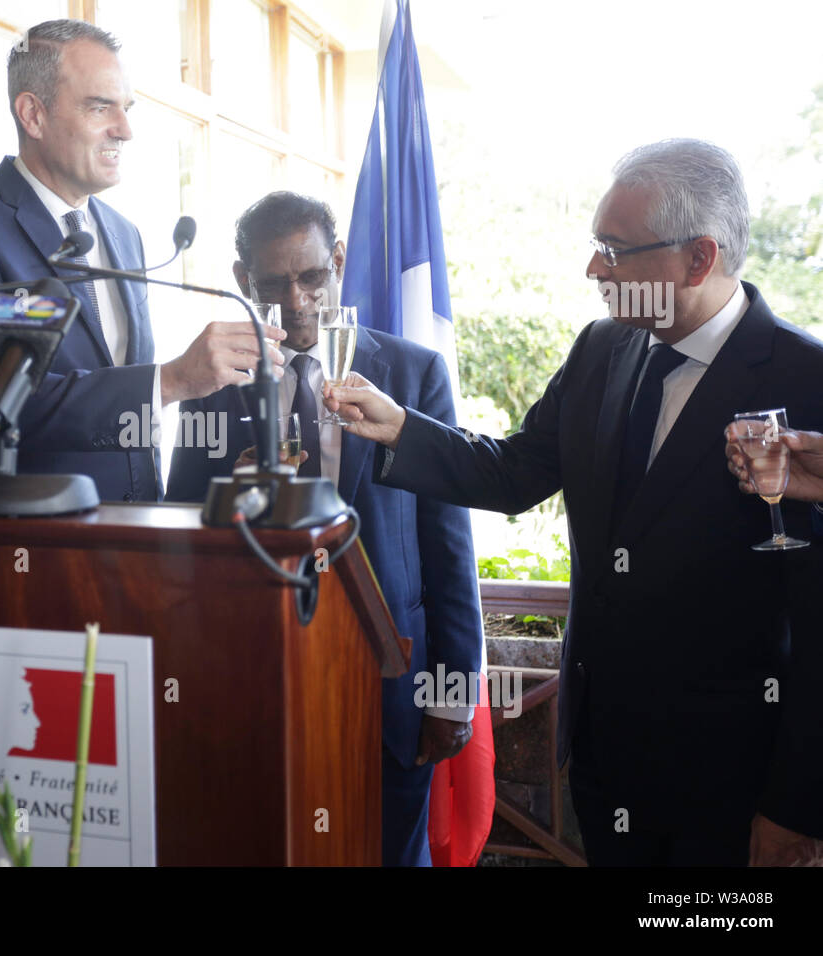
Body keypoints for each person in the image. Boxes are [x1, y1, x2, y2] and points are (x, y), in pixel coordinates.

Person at [324, 139, 823, 865]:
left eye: (615, 250)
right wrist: (399, 426)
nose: (593, 269)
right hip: (602, 762)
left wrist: (796, 805)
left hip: (736, 787)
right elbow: (514, 472)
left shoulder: (804, 378)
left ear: (699, 259)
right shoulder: (600, 349)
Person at [166, 191, 484, 866]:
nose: (300, 300)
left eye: (313, 277)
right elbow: (177, 538)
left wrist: (452, 690)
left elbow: (448, 544)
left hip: (390, 690)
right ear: (242, 280)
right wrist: (234, 499)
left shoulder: (413, 372)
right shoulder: (213, 382)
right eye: (276, 285)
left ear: (338, 261)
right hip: (252, 687)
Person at [0, 19, 283, 501]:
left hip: (135, 531)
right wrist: (170, 380)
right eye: (99, 106)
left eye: (125, 108)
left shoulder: (124, 234)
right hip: (25, 539)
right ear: (33, 115)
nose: (125, 130)